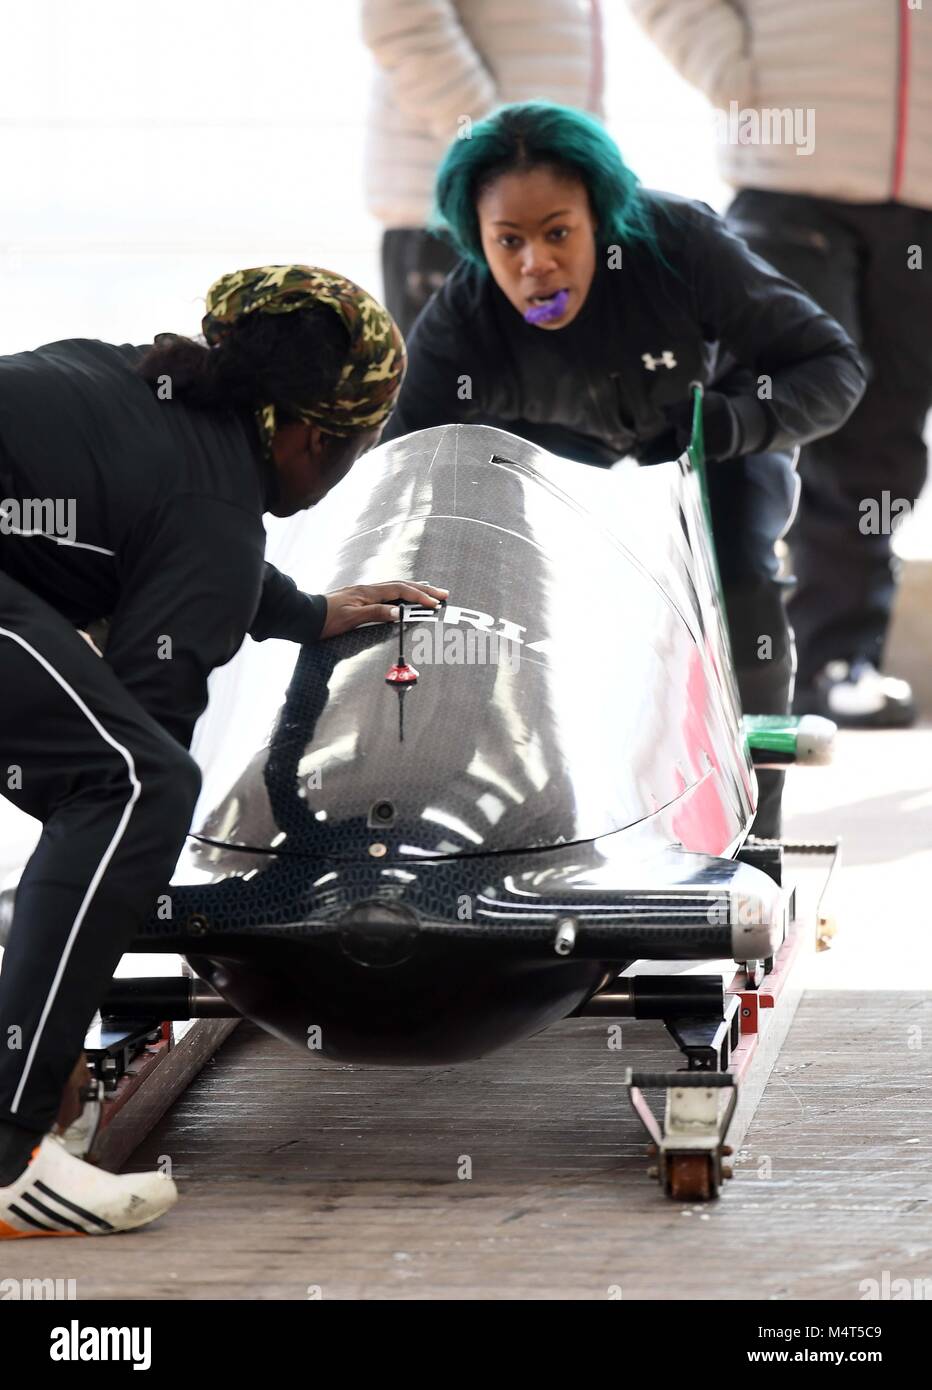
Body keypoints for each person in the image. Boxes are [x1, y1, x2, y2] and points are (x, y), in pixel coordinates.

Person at [0, 265, 446, 1238]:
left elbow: (169, 529)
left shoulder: (150, 397)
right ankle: (9, 1144)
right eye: (352, 449)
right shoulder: (213, 506)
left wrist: (300, 611)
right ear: (306, 437)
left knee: (110, 785)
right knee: (135, 788)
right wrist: (62, 1011)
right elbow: (135, 753)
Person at [384, 101, 867, 838]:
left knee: (741, 586)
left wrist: (737, 422)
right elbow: (404, 467)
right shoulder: (463, 316)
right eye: (507, 240)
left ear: (600, 220)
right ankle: (510, 819)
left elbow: (833, 367)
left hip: (715, 435)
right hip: (556, 455)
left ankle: (756, 833)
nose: (534, 264)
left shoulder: (681, 240)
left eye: (558, 233)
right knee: (476, 599)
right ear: (479, 241)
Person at [627, 0, 932, 727]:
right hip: (790, 175)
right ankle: (723, 664)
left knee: (884, 441)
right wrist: (739, 79)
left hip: (921, 194)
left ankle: (835, 663)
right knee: (758, 432)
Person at [361, 0, 605, 334]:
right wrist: (494, 152)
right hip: (453, 217)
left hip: (540, 204)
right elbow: (402, 22)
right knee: (447, 381)